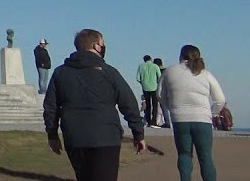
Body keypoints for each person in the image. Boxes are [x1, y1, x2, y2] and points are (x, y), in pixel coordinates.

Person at [43, 29, 146, 181]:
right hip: (106, 137)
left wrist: (52, 135)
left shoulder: (60, 73)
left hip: (75, 138)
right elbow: (128, 103)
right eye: (103, 43)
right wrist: (138, 133)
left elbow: (51, 107)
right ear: (97, 46)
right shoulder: (108, 72)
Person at [159, 44, 226, 181]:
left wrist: (171, 108)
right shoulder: (205, 74)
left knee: (184, 155)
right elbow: (220, 100)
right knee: (205, 156)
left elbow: (160, 95)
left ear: (181, 56)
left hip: (180, 119)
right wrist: (212, 113)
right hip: (202, 120)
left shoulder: (169, 71)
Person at [137, 54, 162, 127]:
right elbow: (160, 77)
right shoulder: (155, 66)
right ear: (150, 59)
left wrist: (143, 83)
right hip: (154, 88)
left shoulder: (141, 66)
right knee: (155, 105)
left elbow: (138, 78)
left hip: (145, 88)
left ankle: (148, 121)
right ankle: (154, 122)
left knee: (147, 106)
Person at [153, 57, 172, 128]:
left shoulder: (156, 71)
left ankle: (167, 122)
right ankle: (169, 122)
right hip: (168, 89)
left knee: (162, 107)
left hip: (159, 90)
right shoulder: (167, 70)